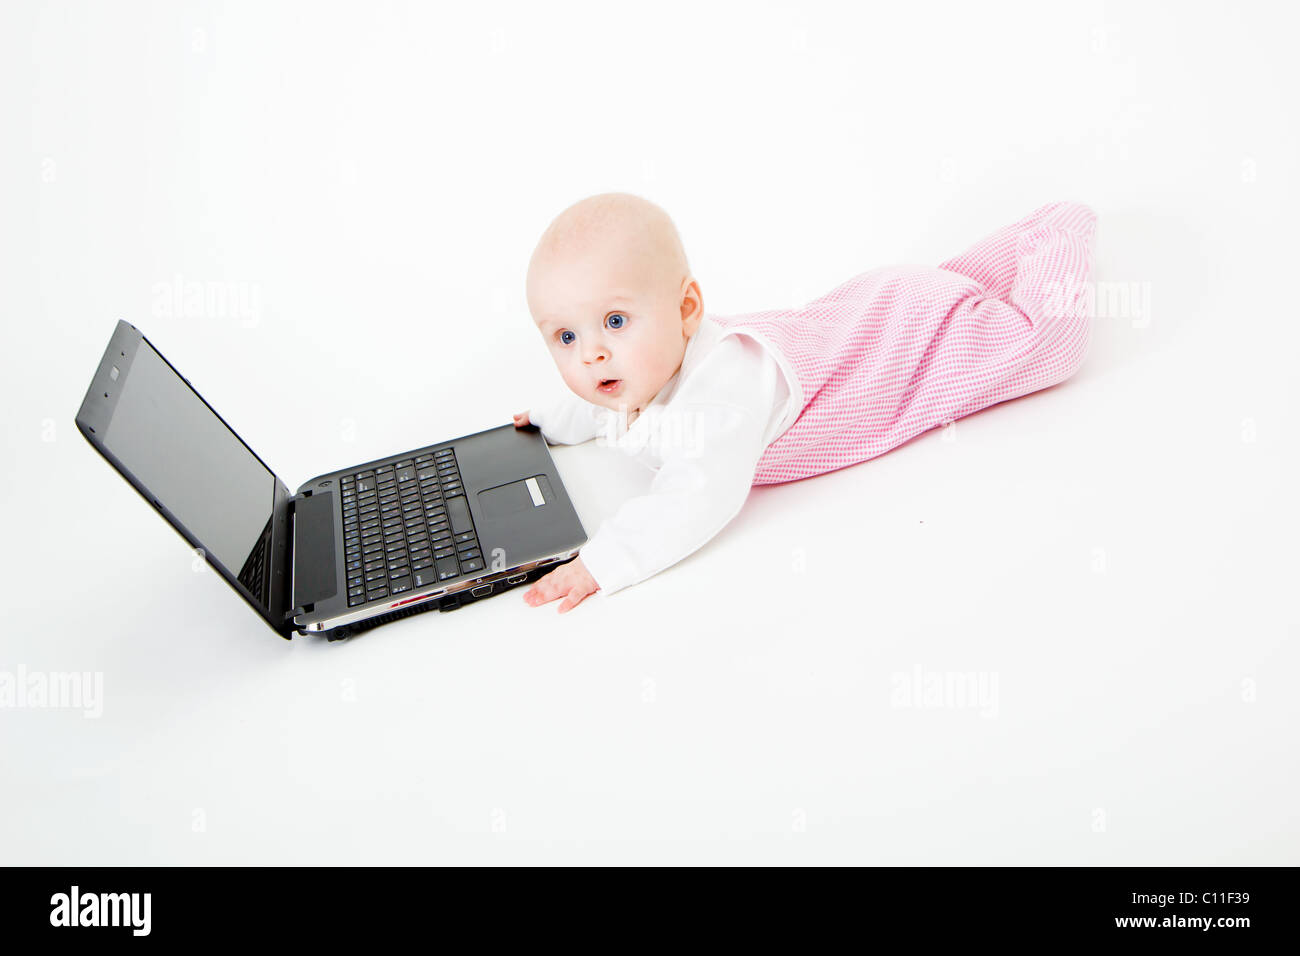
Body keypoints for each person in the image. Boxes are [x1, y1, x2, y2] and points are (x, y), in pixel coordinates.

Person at [515, 193, 1098, 613]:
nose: (592, 354)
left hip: (899, 344)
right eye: (566, 337)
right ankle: (991, 269)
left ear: (687, 308)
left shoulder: (719, 402)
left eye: (615, 321)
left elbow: (698, 495)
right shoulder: (638, 365)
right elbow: (611, 395)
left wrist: (603, 561)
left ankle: (1056, 236)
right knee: (952, 287)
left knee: (1039, 345)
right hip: (868, 308)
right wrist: (548, 424)